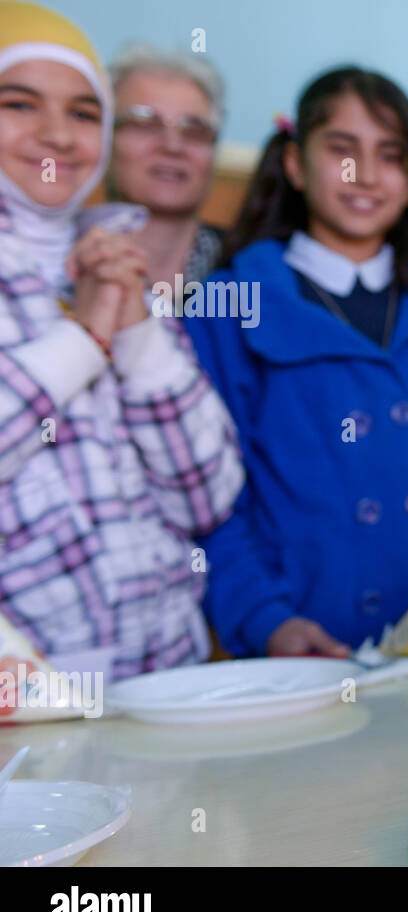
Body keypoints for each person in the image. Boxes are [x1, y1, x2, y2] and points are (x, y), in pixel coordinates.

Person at [186, 67, 408, 657]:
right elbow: (213, 503)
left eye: (390, 155)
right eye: (342, 150)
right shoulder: (228, 308)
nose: (366, 175)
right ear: (296, 165)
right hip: (308, 648)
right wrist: (262, 618)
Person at [0, 0, 242, 674]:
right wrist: (83, 338)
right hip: (29, 716)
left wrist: (132, 328)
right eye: (18, 103)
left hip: (168, 684)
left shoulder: (111, 263)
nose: (57, 135)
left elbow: (205, 496)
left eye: (83, 113)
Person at [106, 44, 225, 282]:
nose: (173, 146)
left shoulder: (248, 267)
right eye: (143, 124)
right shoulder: (61, 259)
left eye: (193, 131)